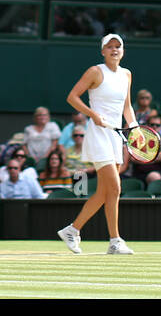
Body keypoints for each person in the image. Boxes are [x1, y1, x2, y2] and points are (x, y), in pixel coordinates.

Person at [57, 34, 136, 255]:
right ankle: (116, 239)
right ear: (102, 51)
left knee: (107, 192)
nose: (114, 50)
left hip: (115, 136)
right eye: (109, 47)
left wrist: (135, 127)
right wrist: (92, 114)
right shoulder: (95, 71)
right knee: (115, 187)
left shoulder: (127, 75)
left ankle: (73, 230)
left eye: (118, 46)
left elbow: (127, 107)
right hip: (98, 134)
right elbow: (72, 97)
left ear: (123, 51)